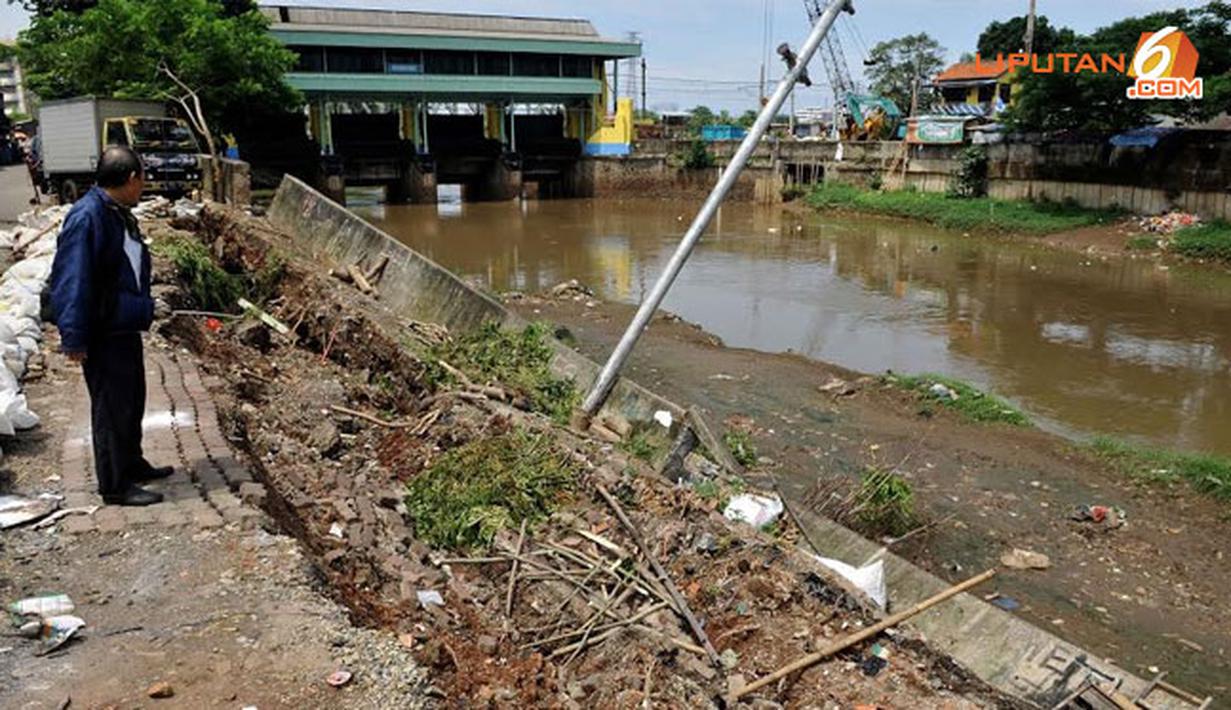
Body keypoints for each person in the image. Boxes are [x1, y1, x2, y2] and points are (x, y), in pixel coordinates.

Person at [49, 146, 172, 506]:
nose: (143, 186)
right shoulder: (88, 218)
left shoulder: (115, 212)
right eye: (142, 179)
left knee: (131, 400)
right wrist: (74, 336)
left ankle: (132, 463)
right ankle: (115, 485)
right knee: (111, 407)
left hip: (123, 324)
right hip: (103, 330)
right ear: (132, 178)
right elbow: (72, 279)